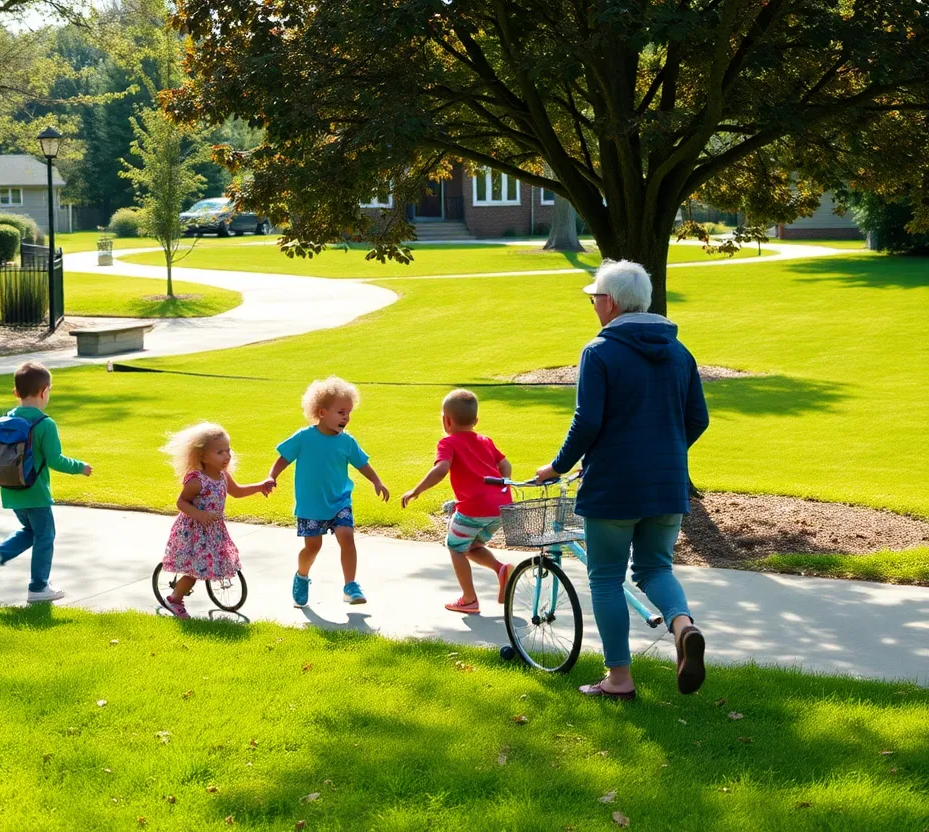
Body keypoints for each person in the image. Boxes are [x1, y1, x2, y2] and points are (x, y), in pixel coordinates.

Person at [535, 260, 710, 700]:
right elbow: (698, 419)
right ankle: (683, 627)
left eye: (594, 298)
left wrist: (556, 467)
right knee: (655, 567)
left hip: (614, 486)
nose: (594, 305)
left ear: (609, 302)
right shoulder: (680, 352)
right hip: (667, 483)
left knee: (606, 579)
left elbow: (587, 421)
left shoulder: (599, 351)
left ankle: (619, 678)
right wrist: (664, 453)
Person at [269, 376, 390, 607]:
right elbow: (283, 458)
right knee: (313, 547)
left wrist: (377, 481)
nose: (346, 417)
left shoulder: (347, 442)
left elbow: (361, 463)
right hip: (311, 504)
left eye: (349, 413)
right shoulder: (304, 437)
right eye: (341, 412)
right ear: (322, 413)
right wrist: (271, 477)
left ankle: (350, 585)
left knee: (347, 538)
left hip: (339, 501)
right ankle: (302, 576)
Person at [0, 362, 92, 603]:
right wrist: (80, 467)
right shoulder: (45, 424)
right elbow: (55, 460)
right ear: (44, 391)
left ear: (16, 393)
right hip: (36, 492)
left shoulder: (4, 420)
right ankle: (38, 587)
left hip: (11, 491)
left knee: (31, 531)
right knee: (45, 537)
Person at [401, 389, 513, 614]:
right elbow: (505, 465)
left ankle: (469, 599)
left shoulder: (448, 443)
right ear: (476, 420)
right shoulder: (485, 440)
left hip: (473, 507)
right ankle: (501, 570)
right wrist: (504, 485)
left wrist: (416, 490)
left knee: (455, 547)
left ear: (446, 420)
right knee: (471, 545)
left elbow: (441, 469)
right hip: (500, 507)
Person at [158, 423, 276, 619]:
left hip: (214, 529)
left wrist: (260, 486)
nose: (227, 456)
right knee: (194, 571)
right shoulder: (196, 480)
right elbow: (181, 502)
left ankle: (188, 591)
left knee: (215, 561)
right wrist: (200, 514)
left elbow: (237, 492)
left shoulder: (223, 476)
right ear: (202, 456)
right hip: (194, 531)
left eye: (228, 450)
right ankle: (175, 599)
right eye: (220, 452)